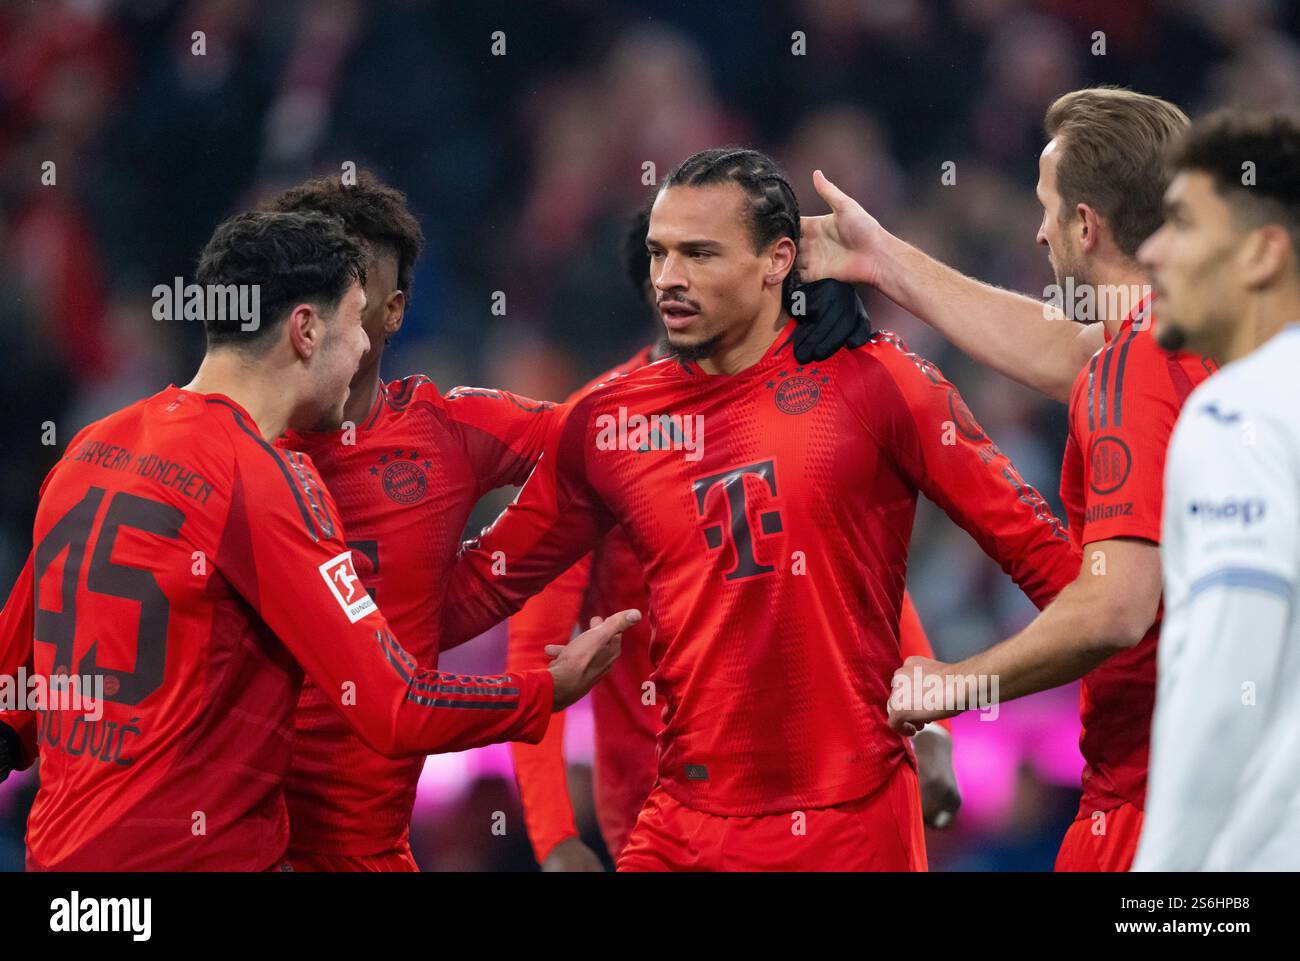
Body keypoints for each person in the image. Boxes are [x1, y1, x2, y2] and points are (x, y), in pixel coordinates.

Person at [441, 147, 1078, 871]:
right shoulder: (605, 425)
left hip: (851, 823)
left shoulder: (879, 386)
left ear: (778, 260)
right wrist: (333, 591)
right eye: (658, 255)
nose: (668, 280)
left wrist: (958, 689)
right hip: (674, 821)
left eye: (699, 254)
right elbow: (484, 591)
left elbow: (1067, 586)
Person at [262, 172, 876, 871]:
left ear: (394, 308)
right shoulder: (226, 457)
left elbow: (632, 440)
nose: (326, 311)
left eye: (353, 289)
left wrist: (796, 344)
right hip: (239, 839)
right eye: (310, 286)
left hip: (372, 851)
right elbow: (397, 703)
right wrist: (545, 716)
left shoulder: (447, 432)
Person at [0, 210, 635, 870]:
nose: (364, 349)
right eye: (353, 323)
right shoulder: (262, 479)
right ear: (306, 329)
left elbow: (10, 693)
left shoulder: (90, 446)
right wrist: (546, 687)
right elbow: (395, 704)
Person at [800, 87, 1213, 871]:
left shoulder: (1137, 366)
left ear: (1086, 226)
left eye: (1048, 209)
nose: (1038, 230)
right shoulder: (1216, 339)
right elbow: (1069, 351)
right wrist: (882, 258)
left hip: (1160, 806)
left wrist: (958, 684)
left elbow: (1117, 607)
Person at [508, 211, 960, 871]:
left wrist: (935, 720)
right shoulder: (594, 437)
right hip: (665, 808)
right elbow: (533, 648)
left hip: (826, 792)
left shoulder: (805, 400)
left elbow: (858, 579)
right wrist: (554, 837)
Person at [1132, 112, 1300, 870]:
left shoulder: (1239, 408)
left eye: (1182, 224)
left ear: (1264, 252)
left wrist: (1162, 893)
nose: (1151, 252)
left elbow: (1227, 674)